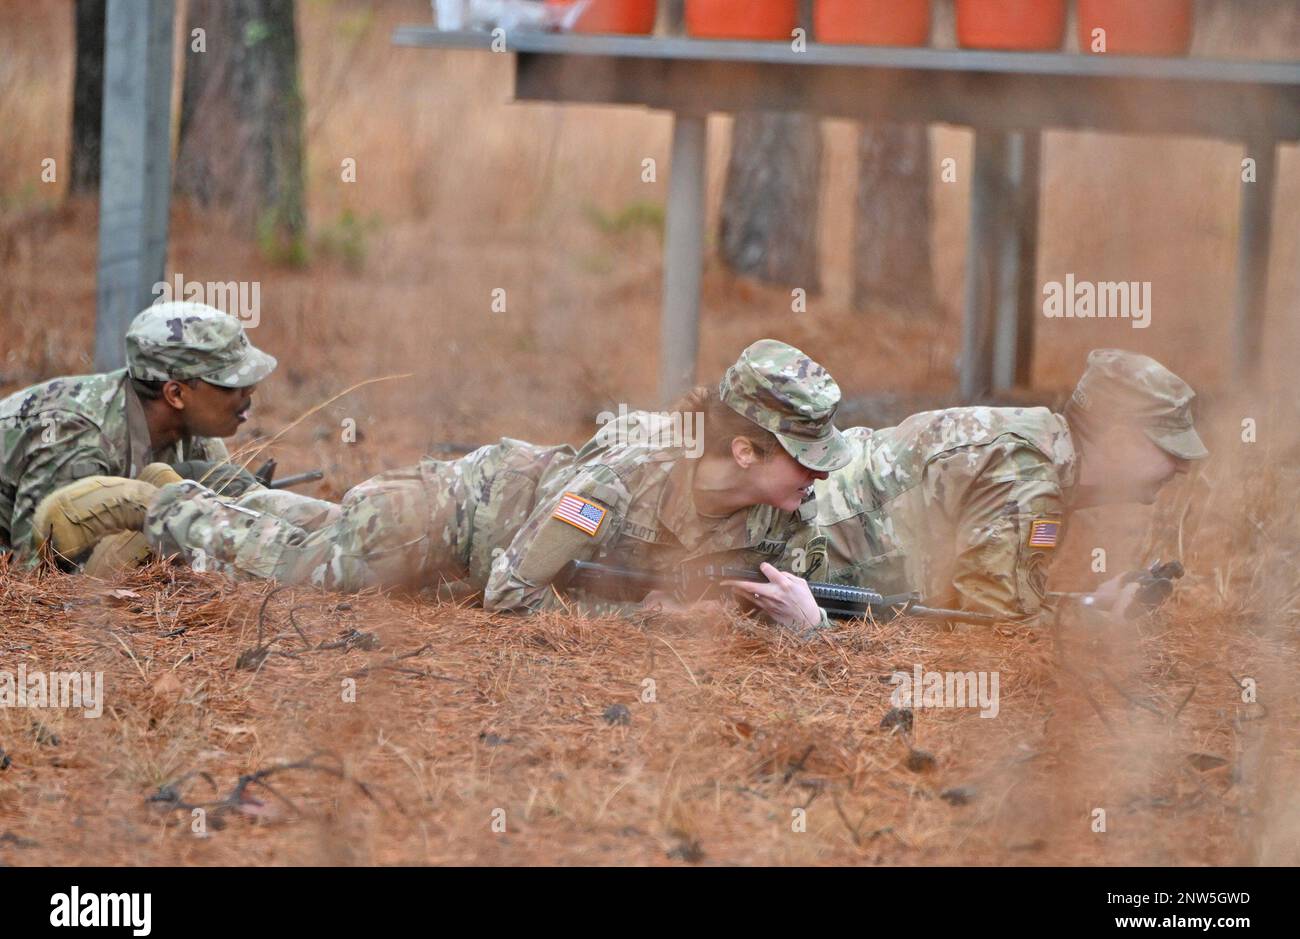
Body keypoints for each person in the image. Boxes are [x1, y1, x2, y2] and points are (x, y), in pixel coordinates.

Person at [31, 340, 853, 627]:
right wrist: (650, 619)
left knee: (323, 532)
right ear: (744, 451)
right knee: (313, 571)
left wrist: (809, 624)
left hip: (459, 542)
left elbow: (805, 599)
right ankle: (159, 503)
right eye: (801, 453)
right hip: (443, 520)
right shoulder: (621, 481)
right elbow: (512, 595)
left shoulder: (776, 515)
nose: (819, 471)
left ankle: (225, 498)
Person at [782, 350, 1208, 624]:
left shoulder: (1042, 452)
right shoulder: (1027, 478)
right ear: (1119, 438)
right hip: (791, 551)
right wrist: (1097, 628)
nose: (1182, 466)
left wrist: (1091, 604)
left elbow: (983, 601)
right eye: (1168, 447)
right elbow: (991, 634)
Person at [0, 302, 275, 565]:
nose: (249, 392)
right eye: (230, 384)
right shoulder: (77, 437)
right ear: (176, 394)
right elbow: (36, 576)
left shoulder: (195, 434)